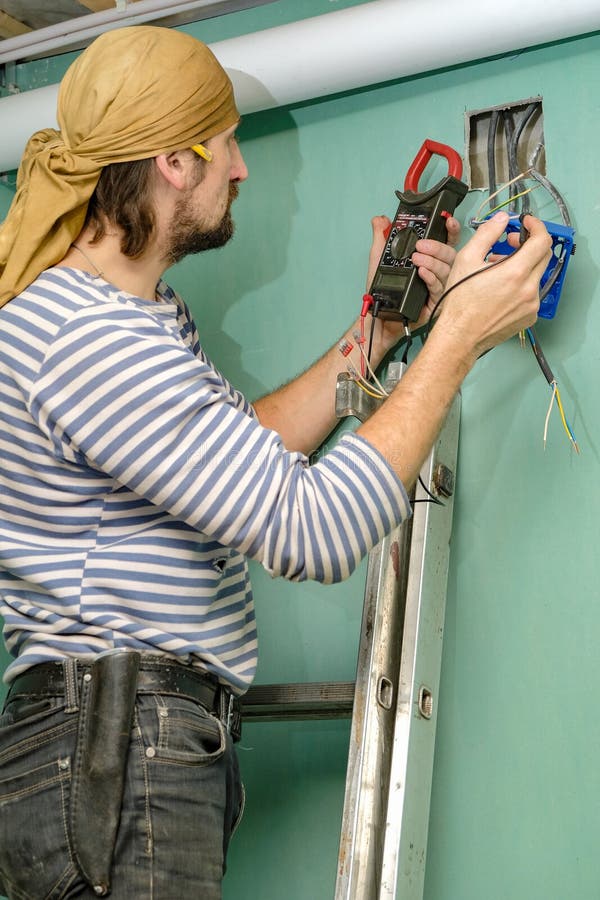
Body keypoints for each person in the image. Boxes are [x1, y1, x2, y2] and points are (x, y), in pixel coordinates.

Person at [0, 24, 550, 900]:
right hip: (113, 752)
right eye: (226, 145)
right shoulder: (90, 339)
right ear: (173, 161)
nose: (241, 169)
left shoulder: (121, 319)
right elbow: (312, 531)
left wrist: (379, 334)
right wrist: (460, 337)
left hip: (116, 748)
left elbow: (233, 456)